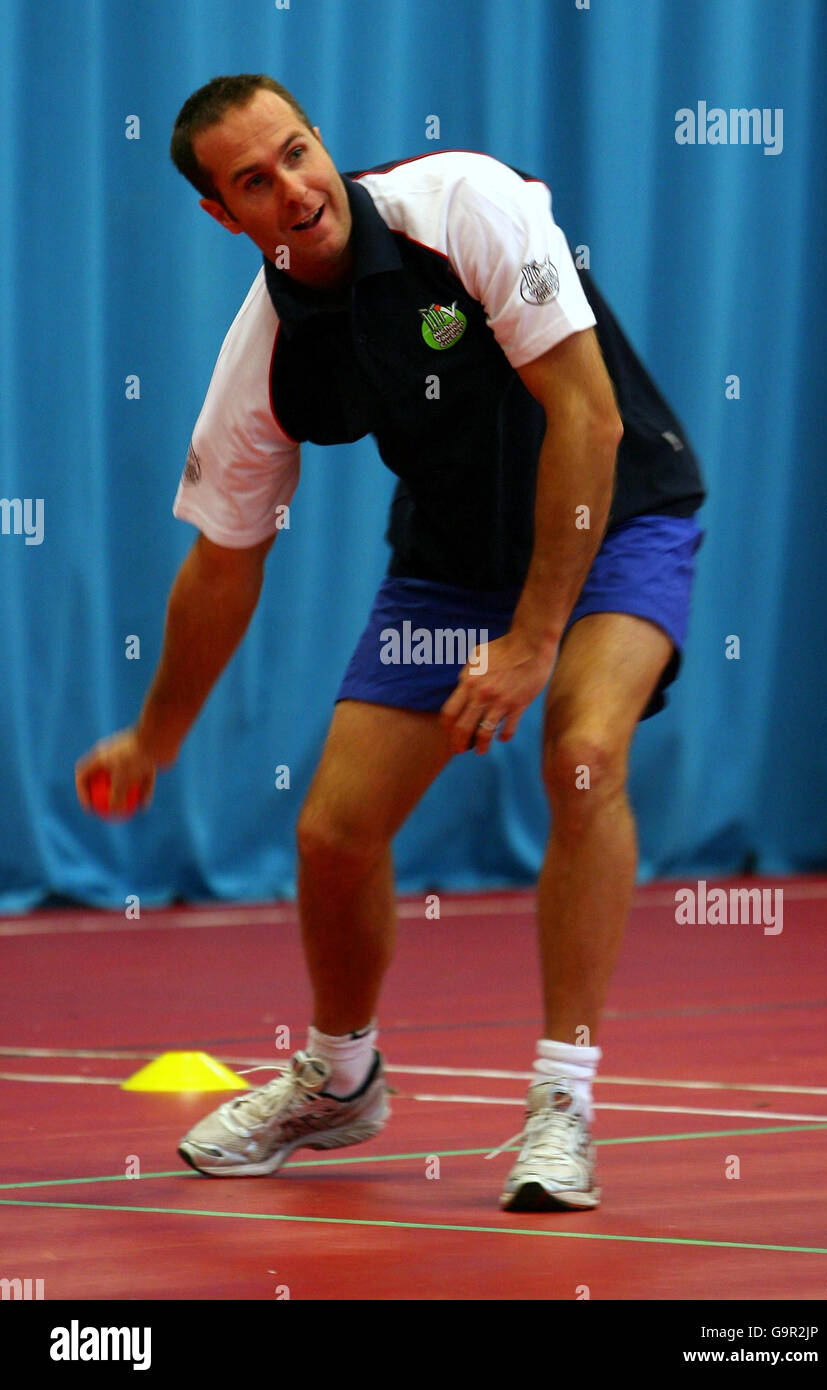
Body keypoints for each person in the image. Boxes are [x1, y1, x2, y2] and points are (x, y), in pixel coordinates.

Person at [75, 73, 705, 1212]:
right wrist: (152, 736)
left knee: (584, 754)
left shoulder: (463, 206)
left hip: (614, 512)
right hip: (454, 558)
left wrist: (530, 638)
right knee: (332, 833)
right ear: (225, 216)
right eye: (254, 181)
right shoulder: (267, 348)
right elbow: (224, 560)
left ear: (324, 141)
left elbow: (587, 414)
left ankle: (562, 1100)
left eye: (298, 151)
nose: (293, 188)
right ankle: (341, 1076)